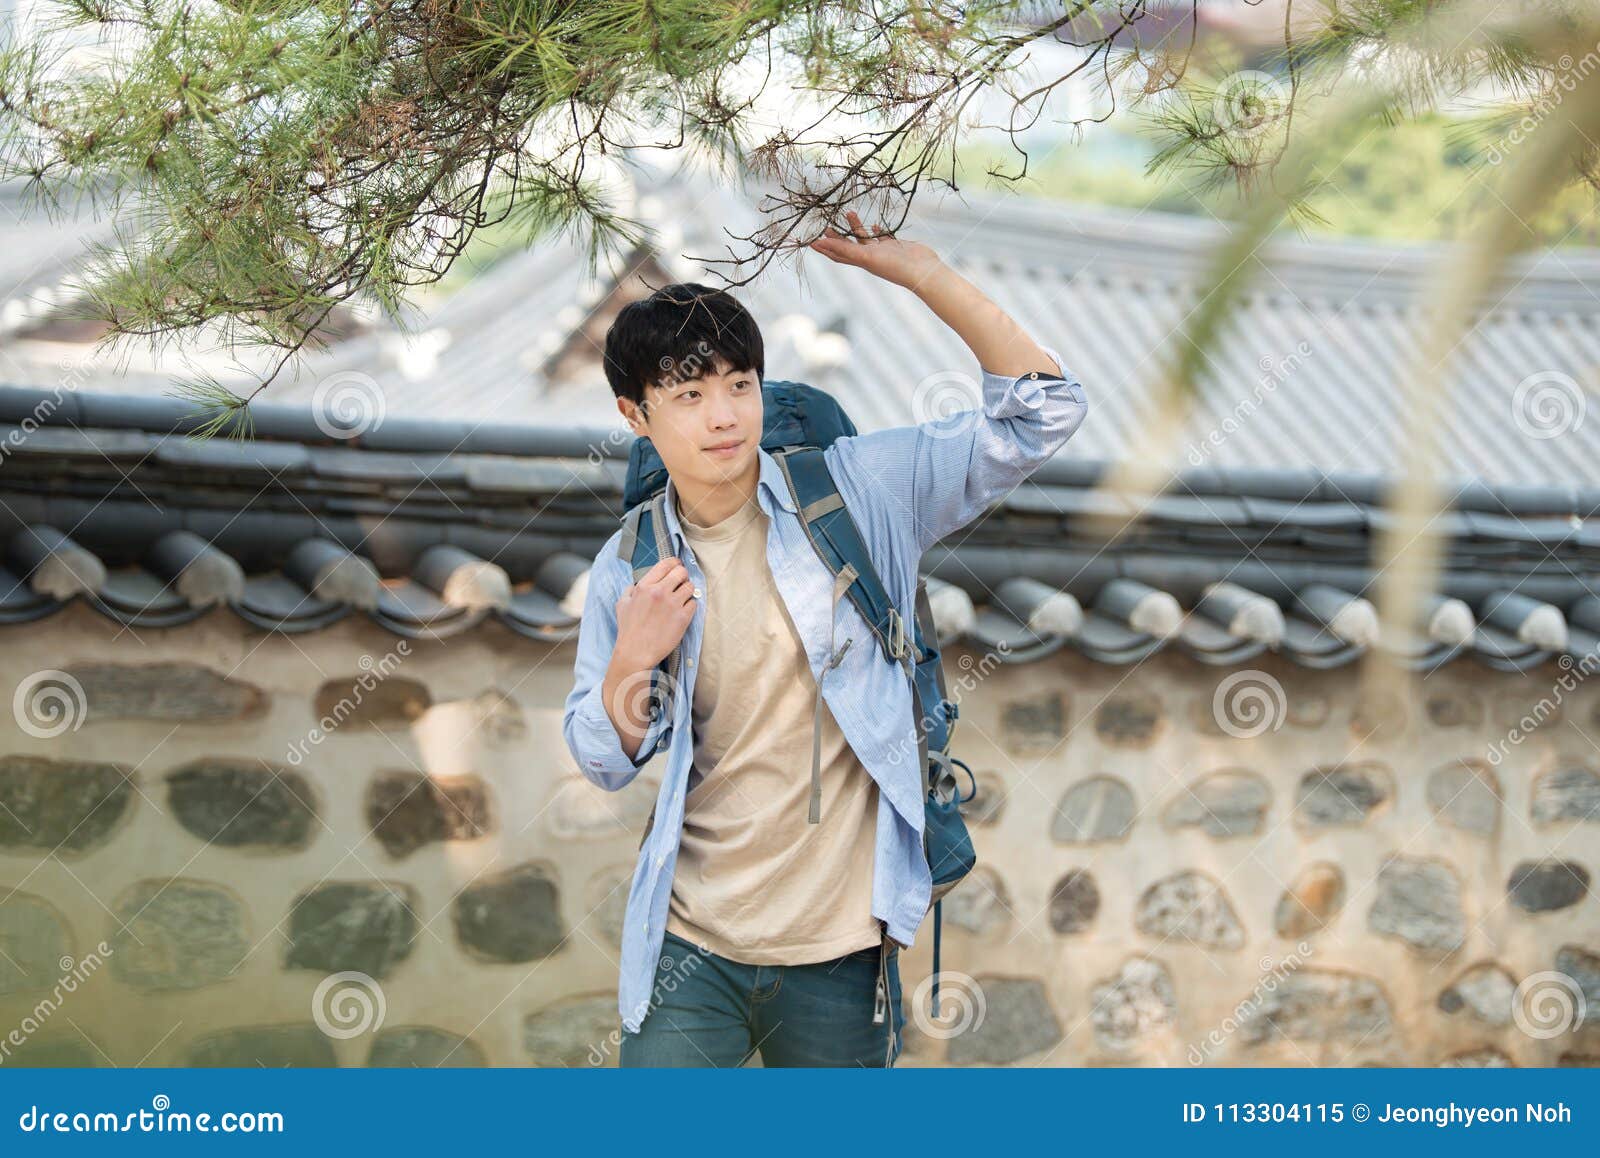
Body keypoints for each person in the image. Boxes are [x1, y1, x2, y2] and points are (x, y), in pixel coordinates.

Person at [561, 210, 1090, 1066]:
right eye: (688, 396)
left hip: (841, 952)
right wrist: (632, 656)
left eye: (739, 385)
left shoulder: (859, 491)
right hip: (692, 944)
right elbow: (602, 761)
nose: (723, 416)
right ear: (636, 414)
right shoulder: (631, 563)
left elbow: (1043, 413)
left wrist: (923, 273)